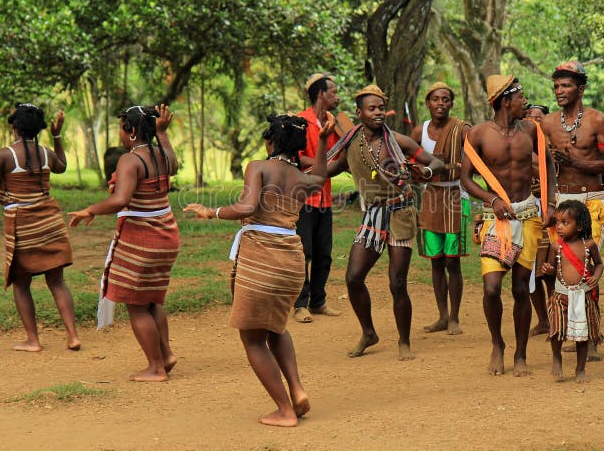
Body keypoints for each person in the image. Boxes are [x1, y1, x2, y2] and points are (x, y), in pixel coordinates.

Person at [185, 113, 334, 427]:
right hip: (292, 258)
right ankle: (296, 389)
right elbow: (321, 177)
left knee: (252, 338)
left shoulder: (258, 166)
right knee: (276, 327)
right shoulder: (302, 178)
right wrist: (321, 142)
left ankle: (285, 410)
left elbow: (247, 207)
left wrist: (210, 211)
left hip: (262, 258)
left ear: (271, 141)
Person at [325, 85, 444, 360]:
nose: (378, 113)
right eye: (372, 108)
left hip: (401, 212)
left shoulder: (398, 140)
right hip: (373, 215)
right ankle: (368, 332)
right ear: (359, 113)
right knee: (353, 277)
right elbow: (326, 170)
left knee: (397, 282)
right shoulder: (351, 144)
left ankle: (404, 341)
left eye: (380, 108)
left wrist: (424, 170)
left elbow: (435, 163)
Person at [68, 105, 179, 382]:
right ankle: (165, 355)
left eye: (121, 127)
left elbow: (120, 199)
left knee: (136, 303)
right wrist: (163, 133)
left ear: (130, 132)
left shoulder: (130, 160)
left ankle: (156, 368)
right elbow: (174, 165)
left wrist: (90, 209)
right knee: (152, 298)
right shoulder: (161, 153)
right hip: (166, 233)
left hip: (142, 238)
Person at [460, 75, 556, 376]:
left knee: (519, 289)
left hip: (527, 216)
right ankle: (497, 344)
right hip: (496, 220)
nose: (524, 103)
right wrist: (491, 200)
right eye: (520, 97)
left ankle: (520, 355)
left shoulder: (531, 130)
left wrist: (550, 202)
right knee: (491, 288)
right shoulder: (478, 134)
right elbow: (466, 179)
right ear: (505, 101)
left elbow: (549, 166)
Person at [0, 103, 80, 352]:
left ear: (14, 127)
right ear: (39, 128)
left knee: (21, 283)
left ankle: (33, 340)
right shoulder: (45, 152)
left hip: (23, 226)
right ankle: (73, 336)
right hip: (50, 221)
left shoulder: (5, 155)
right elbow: (61, 166)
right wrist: (57, 135)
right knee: (57, 281)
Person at [541, 60, 604, 361]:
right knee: (560, 268)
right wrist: (548, 203)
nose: (559, 90)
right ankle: (565, 328)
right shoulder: (547, 124)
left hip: (591, 201)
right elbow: (546, 168)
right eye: (557, 85)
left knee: (585, 267)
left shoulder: (598, 121)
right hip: (561, 201)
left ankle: (591, 336)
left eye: (566, 85)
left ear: (581, 88)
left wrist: (577, 164)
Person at [410, 81, 471, 335]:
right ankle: (442, 316)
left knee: (452, 261)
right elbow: (409, 162)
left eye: (445, 99)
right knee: (436, 262)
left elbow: (475, 160)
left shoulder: (462, 129)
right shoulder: (419, 131)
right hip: (431, 197)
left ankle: (455, 316)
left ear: (451, 104)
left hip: (456, 195)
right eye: (436, 99)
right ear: (428, 103)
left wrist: (448, 167)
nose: (440, 104)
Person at [292, 73, 342, 323]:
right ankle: (300, 304)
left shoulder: (335, 123)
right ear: (321, 93)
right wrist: (324, 164)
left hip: (325, 198)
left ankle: (318, 301)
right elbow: (297, 157)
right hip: (303, 198)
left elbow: (342, 152)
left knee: (324, 253)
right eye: (333, 92)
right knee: (304, 252)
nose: (337, 96)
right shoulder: (301, 121)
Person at [541, 200, 604, 383]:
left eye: (565, 223)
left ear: (579, 226)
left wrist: (596, 276)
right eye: (557, 222)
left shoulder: (589, 245)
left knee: (582, 335)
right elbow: (552, 269)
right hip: (560, 295)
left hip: (583, 295)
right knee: (557, 330)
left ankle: (580, 369)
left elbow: (599, 264)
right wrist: (547, 269)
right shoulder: (555, 246)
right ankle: (556, 358)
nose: (559, 227)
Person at [524, 102, 553, 336]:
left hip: (549, 212)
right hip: (528, 212)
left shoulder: (551, 145)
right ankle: (542, 319)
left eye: (538, 117)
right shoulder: (520, 143)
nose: (533, 120)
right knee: (531, 268)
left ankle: (555, 317)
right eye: (529, 116)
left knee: (549, 268)